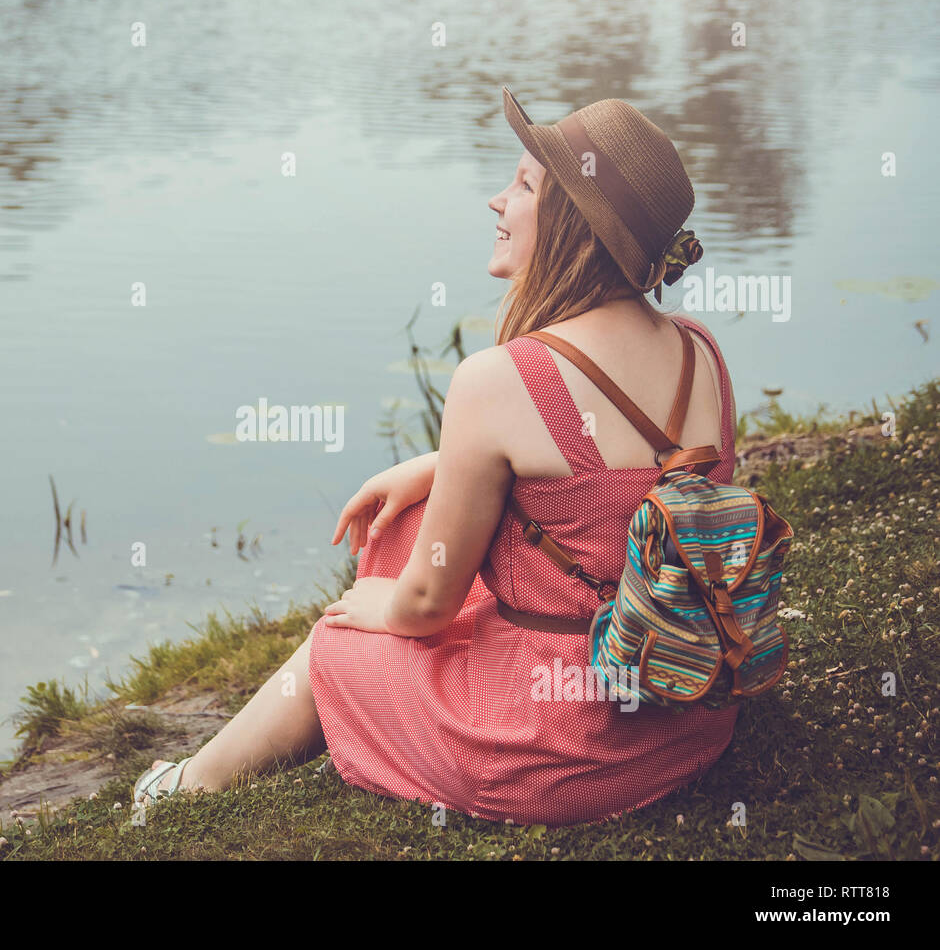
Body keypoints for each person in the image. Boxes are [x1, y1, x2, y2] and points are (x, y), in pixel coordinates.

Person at [134, 86, 739, 825]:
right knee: (418, 520)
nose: (496, 200)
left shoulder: (503, 378)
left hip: (557, 752)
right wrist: (432, 466)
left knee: (336, 641)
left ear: (572, 225)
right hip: (683, 714)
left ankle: (189, 788)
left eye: (522, 185)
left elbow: (427, 608)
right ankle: (196, 776)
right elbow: (621, 480)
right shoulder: (700, 351)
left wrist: (380, 604)